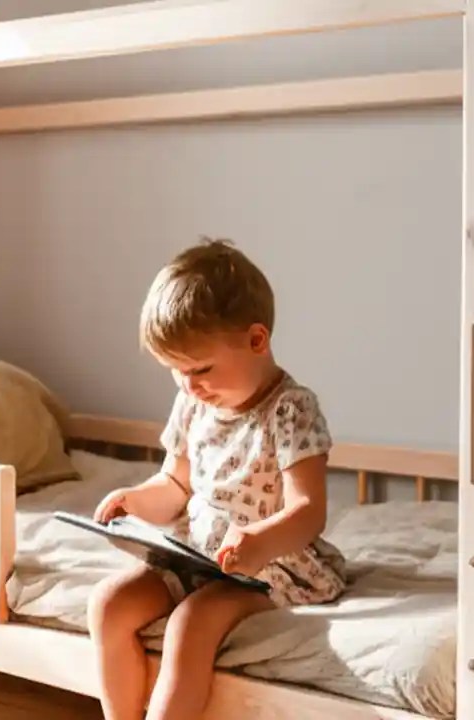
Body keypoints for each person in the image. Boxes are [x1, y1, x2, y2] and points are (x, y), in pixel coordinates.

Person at [87, 237, 346, 720]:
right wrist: (135, 502)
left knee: (191, 622)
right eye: (176, 372)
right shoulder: (194, 402)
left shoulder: (290, 409)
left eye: (200, 368)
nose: (189, 385)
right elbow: (175, 486)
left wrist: (260, 542)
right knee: (109, 604)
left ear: (256, 340)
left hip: (266, 567)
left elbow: (308, 511)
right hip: (198, 558)